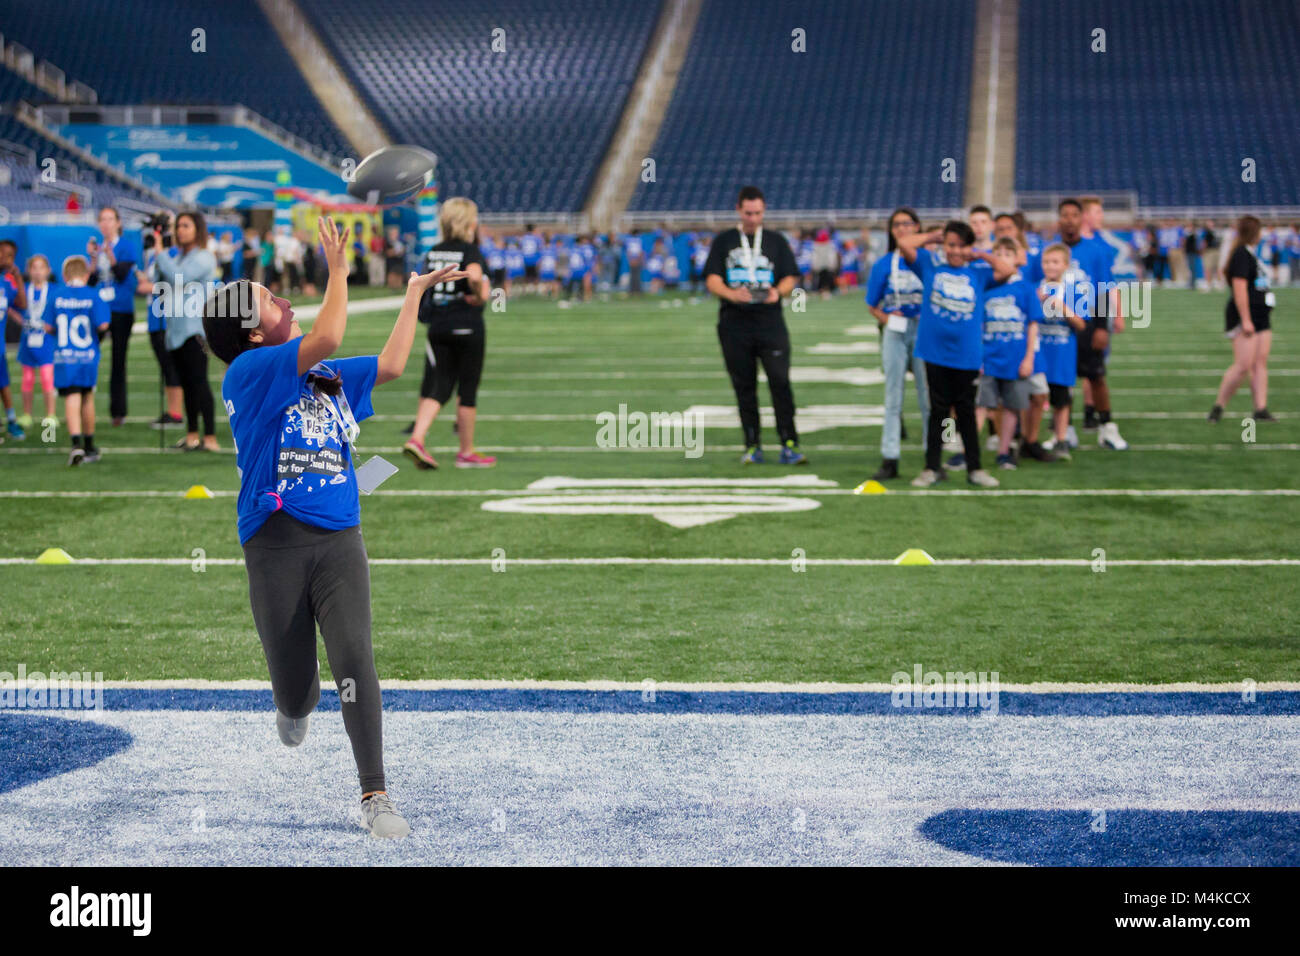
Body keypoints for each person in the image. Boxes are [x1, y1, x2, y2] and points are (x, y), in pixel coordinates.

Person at [202, 218, 465, 837]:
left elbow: (395, 365)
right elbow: (326, 333)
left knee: (355, 656)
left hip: (340, 536)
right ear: (250, 330)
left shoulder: (323, 370)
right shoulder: (250, 371)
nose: (284, 298)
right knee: (296, 693)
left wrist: (412, 297)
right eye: (271, 298)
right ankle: (294, 700)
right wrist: (339, 269)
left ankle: (375, 792)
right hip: (274, 547)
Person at [893, 220, 1000, 488]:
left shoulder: (978, 272)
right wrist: (933, 235)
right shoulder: (930, 264)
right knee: (938, 411)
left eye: (962, 246)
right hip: (935, 353)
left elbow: (1008, 268)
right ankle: (932, 467)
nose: (956, 251)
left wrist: (979, 254)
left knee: (965, 411)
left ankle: (974, 468)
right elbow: (904, 243)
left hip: (967, 356)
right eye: (951, 245)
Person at [703, 185, 804, 464]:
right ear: (738, 210)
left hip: (770, 322)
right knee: (744, 386)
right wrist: (731, 293)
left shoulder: (775, 240)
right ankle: (752, 444)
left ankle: (790, 442)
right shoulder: (724, 241)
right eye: (748, 213)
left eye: (757, 213)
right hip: (734, 323)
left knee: (780, 382)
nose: (753, 218)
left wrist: (777, 292)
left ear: (764, 211)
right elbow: (712, 278)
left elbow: (789, 277)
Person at [402, 198, 497, 470]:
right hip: (467, 325)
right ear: (469, 223)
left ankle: (418, 438)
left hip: (438, 326)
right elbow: (476, 278)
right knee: (467, 390)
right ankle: (466, 451)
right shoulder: (471, 250)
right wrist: (478, 296)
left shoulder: (433, 252)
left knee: (440, 385)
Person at [862, 207, 928, 481]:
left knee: (929, 396)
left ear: (917, 227)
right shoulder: (883, 263)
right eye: (897, 225)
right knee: (893, 396)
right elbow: (871, 304)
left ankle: (931, 455)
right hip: (895, 331)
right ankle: (890, 456)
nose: (902, 228)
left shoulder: (928, 259)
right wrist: (886, 318)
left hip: (924, 331)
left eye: (907, 223)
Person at [148, 211, 221, 450]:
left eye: (186, 226)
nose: (180, 230)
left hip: (194, 330)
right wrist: (158, 257)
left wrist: (160, 254)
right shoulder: (176, 257)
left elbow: (181, 278)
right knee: (187, 384)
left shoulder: (205, 257)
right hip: (175, 329)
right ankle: (192, 435)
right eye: (178, 226)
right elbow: (159, 280)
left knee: (199, 382)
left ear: (197, 229)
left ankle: (209, 437)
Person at [978, 238, 1043, 469]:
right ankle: (969, 451)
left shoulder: (1025, 288)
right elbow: (977, 324)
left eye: (1008, 253)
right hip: (988, 356)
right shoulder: (986, 286)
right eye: (998, 253)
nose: (1003, 257)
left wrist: (1029, 358)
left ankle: (1004, 452)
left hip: (1015, 359)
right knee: (980, 405)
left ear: (1018, 258)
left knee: (1011, 407)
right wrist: (978, 357)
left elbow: (1033, 324)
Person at [1209, 215, 1276, 423]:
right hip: (1245, 315)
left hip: (1261, 314)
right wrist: (1246, 319)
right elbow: (1239, 290)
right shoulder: (1241, 254)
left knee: (1260, 362)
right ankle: (1218, 406)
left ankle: (1260, 408)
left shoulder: (1250, 253)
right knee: (1243, 365)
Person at [44, 256, 110, 465]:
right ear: (87, 274)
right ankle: (89, 445)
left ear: (64, 276)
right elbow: (103, 325)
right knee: (87, 396)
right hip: (88, 354)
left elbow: (47, 326)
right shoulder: (93, 295)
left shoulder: (56, 295)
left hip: (65, 354)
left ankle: (76, 444)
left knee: (72, 395)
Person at [1035, 243, 1090, 458]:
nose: (1050, 266)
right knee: (1034, 397)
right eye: (1047, 262)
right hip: (1039, 352)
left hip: (1061, 355)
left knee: (1061, 400)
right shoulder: (1036, 288)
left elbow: (1081, 324)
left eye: (1056, 262)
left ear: (1066, 265)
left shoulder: (1072, 290)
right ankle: (1030, 439)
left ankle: (1061, 439)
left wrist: (1061, 306)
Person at [86, 207, 140, 427]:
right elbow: (90, 282)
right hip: (99, 308)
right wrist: (92, 259)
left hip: (121, 309)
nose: (106, 224)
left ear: (118, 223)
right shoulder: (95, 250)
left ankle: (118, 411)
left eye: (110, 219)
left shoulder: (126, 246)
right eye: (103, 220)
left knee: (119, 361)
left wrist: (109, 255)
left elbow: (121, 274)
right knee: (89, 355)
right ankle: (82, 401)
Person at [15, 254, 56, 431]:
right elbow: (11, 307)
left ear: (48, 271)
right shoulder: (23, 290)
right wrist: (22, 321)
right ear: (28, 271)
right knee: (27, 378)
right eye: (34, 268)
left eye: (41, 268)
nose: (38, 272)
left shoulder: (54, 290)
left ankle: (51, 414)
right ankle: (26, 414)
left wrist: (50, 326)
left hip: (47, 341)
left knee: (47, 378)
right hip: (28, 340)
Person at [0, 239, 28, 440]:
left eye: (9, 255)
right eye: (1, 253)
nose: (4, 258)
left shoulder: (6, 283)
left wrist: (17, 276)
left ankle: (11, 421)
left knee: (4, 384)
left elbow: (22, 303)